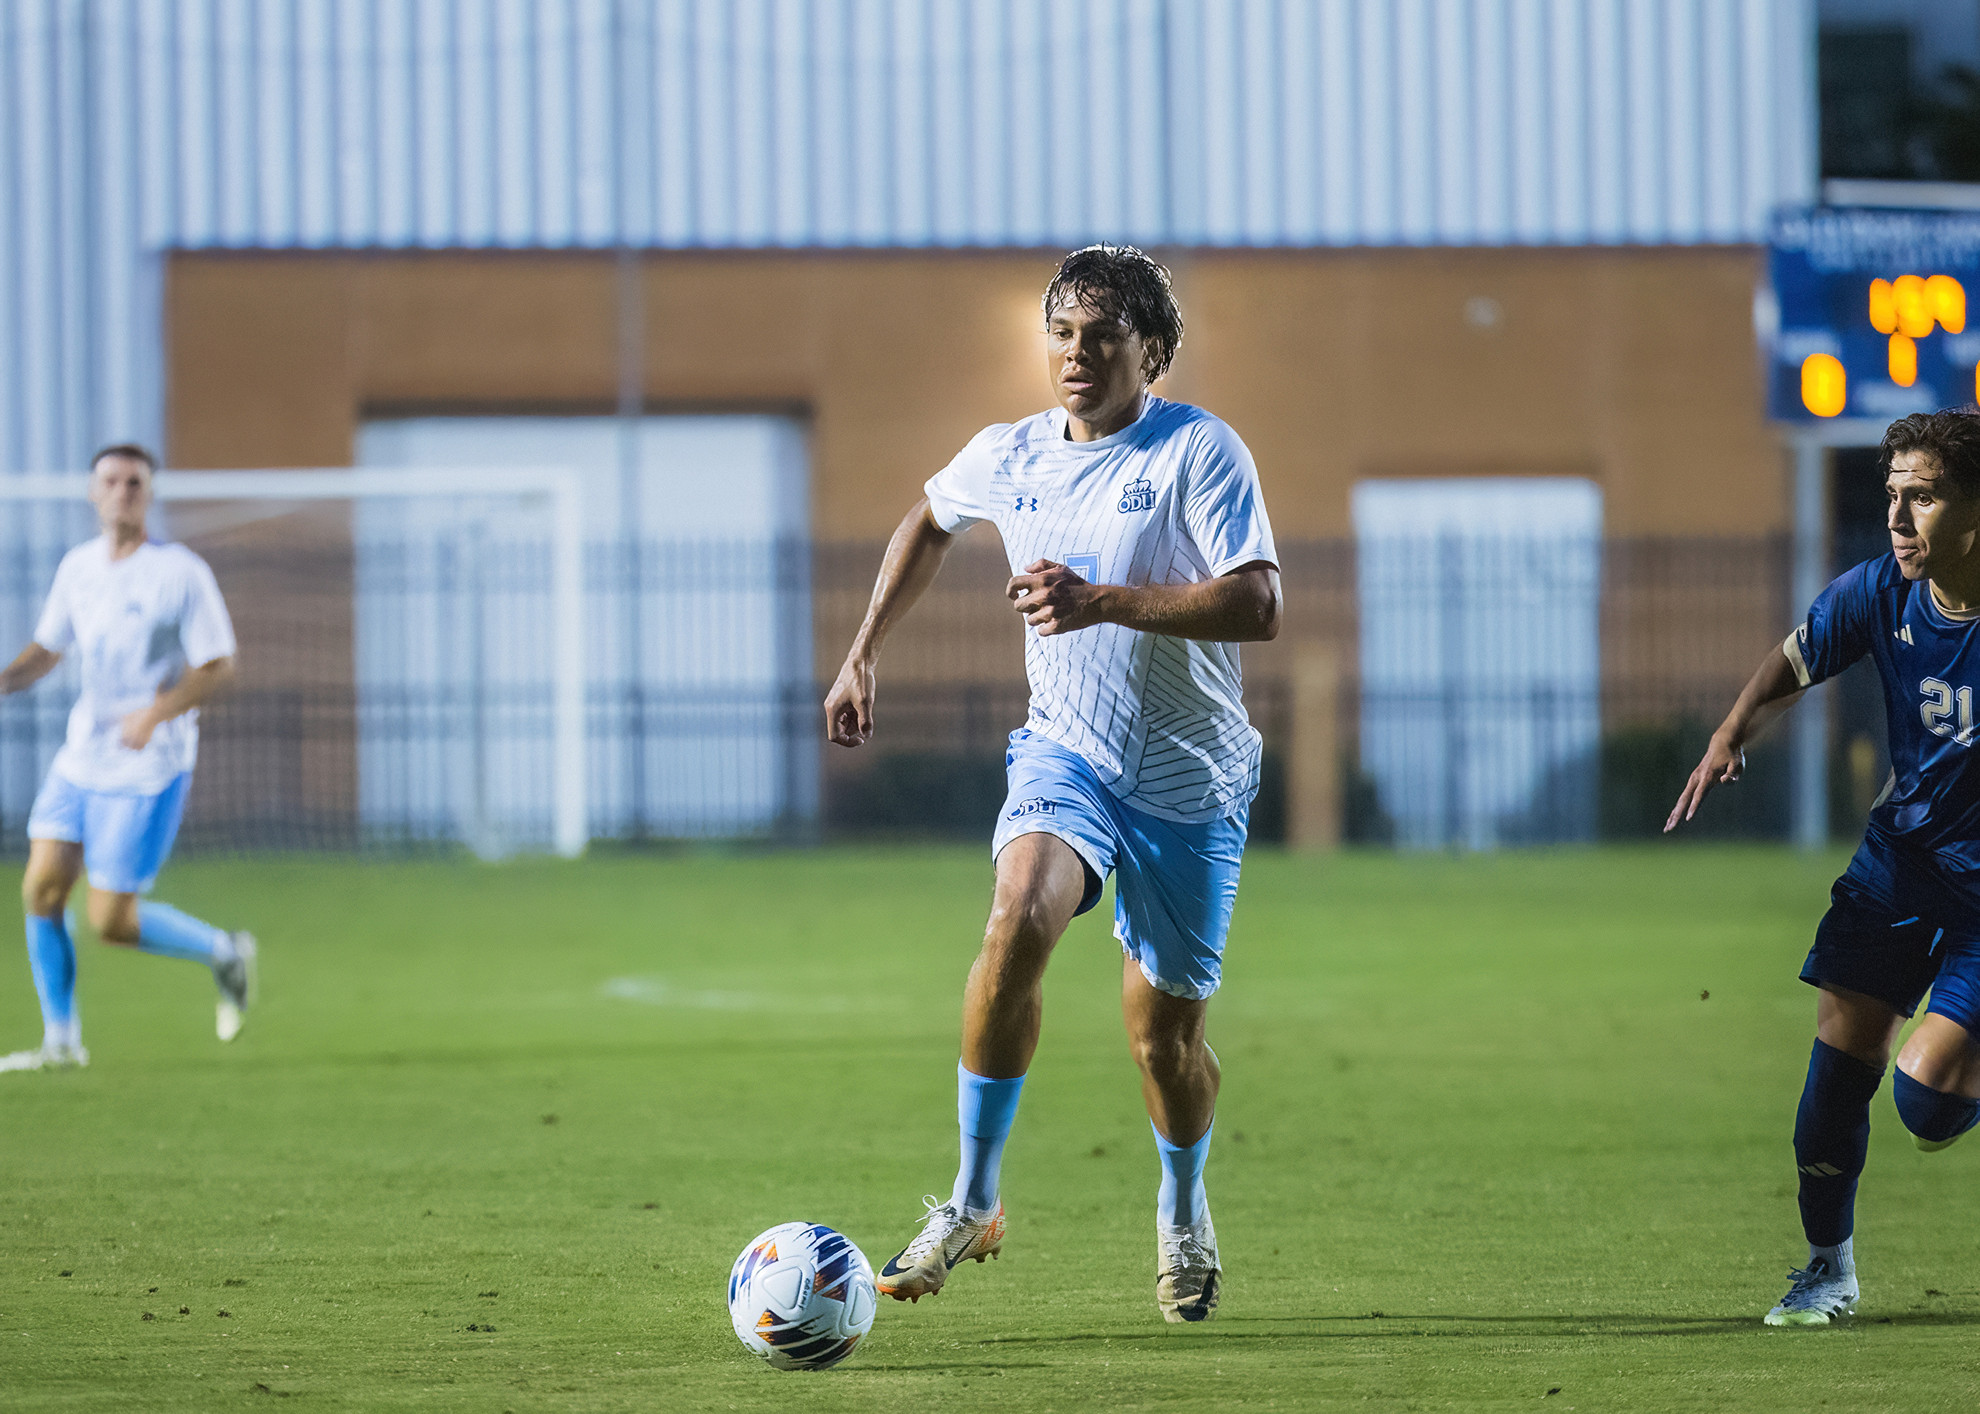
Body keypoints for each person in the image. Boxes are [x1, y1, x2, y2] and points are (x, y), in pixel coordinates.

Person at [823, 245, 1280, 1323]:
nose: (1077, 354)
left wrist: (1106, 599)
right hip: (1064, 754)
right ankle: (975, 1199)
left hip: (1189, 780)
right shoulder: (1009, 453)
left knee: (1163, 1042)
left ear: (1151, 352)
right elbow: (929, 521)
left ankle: (1182, 1210)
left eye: (1103, 335)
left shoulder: (1197, 452)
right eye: (1062, 334)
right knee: (1016, 918)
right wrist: (863, 650)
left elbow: (1258, 603)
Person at [1668, 407, 1980, 1325]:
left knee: (1925, 1101)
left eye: (1921, 497)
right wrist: (1729, 735)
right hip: (1899, 867)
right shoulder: (1882, 593)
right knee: (1834, 1086)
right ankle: (1826, 1270)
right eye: (1891, 495)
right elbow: (1792, 661)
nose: (1896, 518)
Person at [0, 445, 255, 1071]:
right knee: (41, 888)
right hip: (82, 755)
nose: (122, 491)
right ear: (93, 493)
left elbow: (219, 665)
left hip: (150, 765)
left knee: (110, 921)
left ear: (150, 494)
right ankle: (62, 1042)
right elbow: (47, 648)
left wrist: (155, 712)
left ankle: (224, 951)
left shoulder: (180, 573)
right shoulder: (78, 567)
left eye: (135, 482)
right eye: (110, 481)